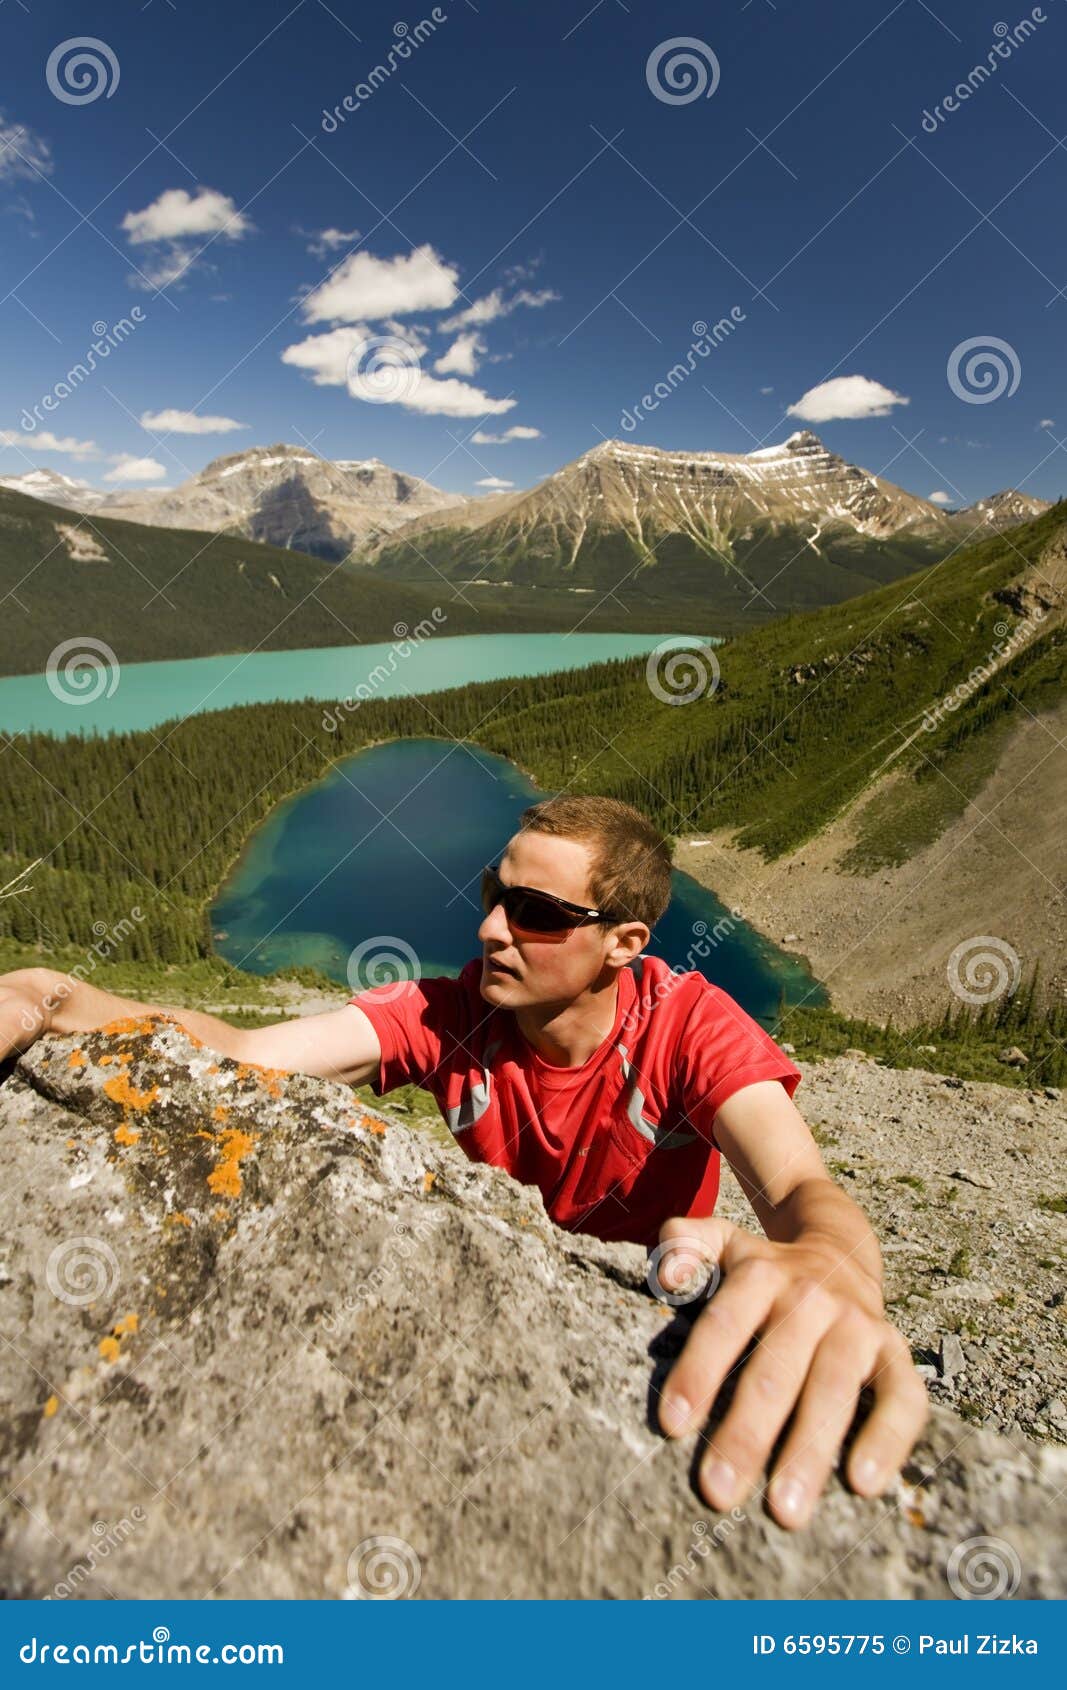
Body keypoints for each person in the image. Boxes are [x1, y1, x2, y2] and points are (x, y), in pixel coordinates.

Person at [0, 794, 927, 1532]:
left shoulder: (690, 1025)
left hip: (644, 1327)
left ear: (624, 943)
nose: (490, 928)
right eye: (494, 894)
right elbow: (241, 1050)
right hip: (515, 1304)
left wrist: (832, 1269)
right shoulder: (448, 1015)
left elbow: (801, 1190)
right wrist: (53, 996)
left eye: (535, 915)